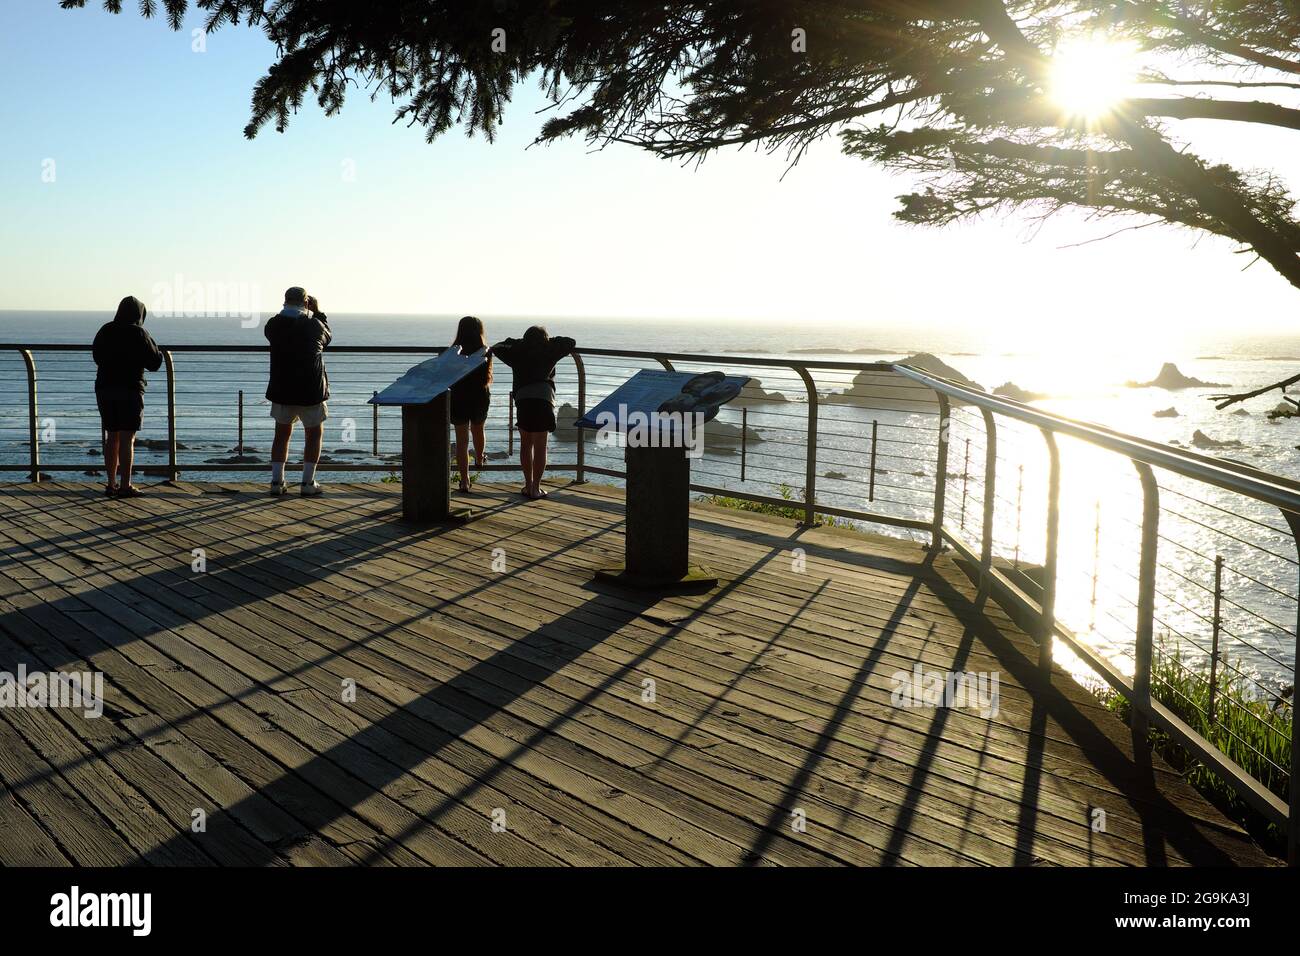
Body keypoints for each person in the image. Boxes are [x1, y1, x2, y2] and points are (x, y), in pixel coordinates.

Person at [492, 325, 576, 499]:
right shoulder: (550, 351)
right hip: (544, 400)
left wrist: (521, 343)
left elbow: (498, 347)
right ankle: (536, 488)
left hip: (523, 400)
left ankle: (527, 485)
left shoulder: (517, 352)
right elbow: (569, 342)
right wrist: (547, 341)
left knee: (525, 444)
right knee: (540, 447)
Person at [92, 295, 163, 498]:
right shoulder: (139, 333)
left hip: (105, 387)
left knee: (111, 436)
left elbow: (97, 356)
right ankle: (125, 485)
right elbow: (154, 363)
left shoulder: (106, 330)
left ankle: (110, 483)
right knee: (127, 438)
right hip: (130, 389)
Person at [264, 287, 331, 496]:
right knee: (314, 435)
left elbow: (273, 329)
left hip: (282, 389)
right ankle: (308, 483)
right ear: (306, 303)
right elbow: (327, 337)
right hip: (310, 390)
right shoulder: (314, 325)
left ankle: (277, 481)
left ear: (284, 301)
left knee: (281, 435)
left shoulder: (273, 325)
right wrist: (317, 312)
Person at [448, 316, 493, 493]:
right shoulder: (485, 351)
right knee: (478, 429)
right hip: (479, 396)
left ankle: (464, 480)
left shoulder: (453, 351)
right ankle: (480, 458)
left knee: (461, 440)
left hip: (458, 396)